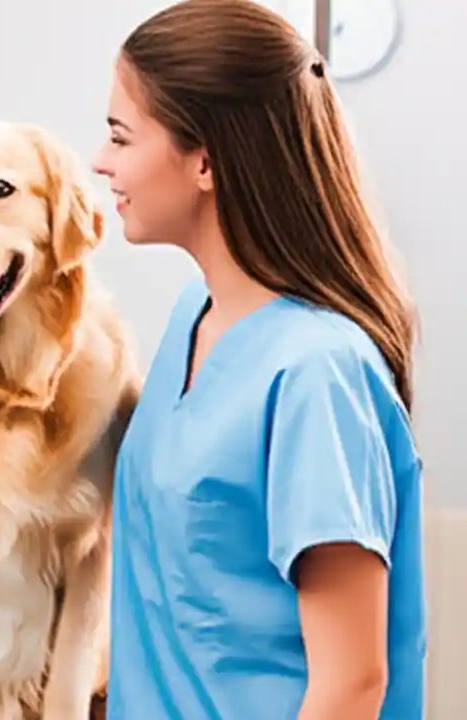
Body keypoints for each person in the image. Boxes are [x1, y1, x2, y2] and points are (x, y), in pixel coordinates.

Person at [90, 1, 425, 718]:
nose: (101, 161)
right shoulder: (193, 319)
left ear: (205, 158)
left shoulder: (317, 374)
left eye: (121, 136)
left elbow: (352, 683)